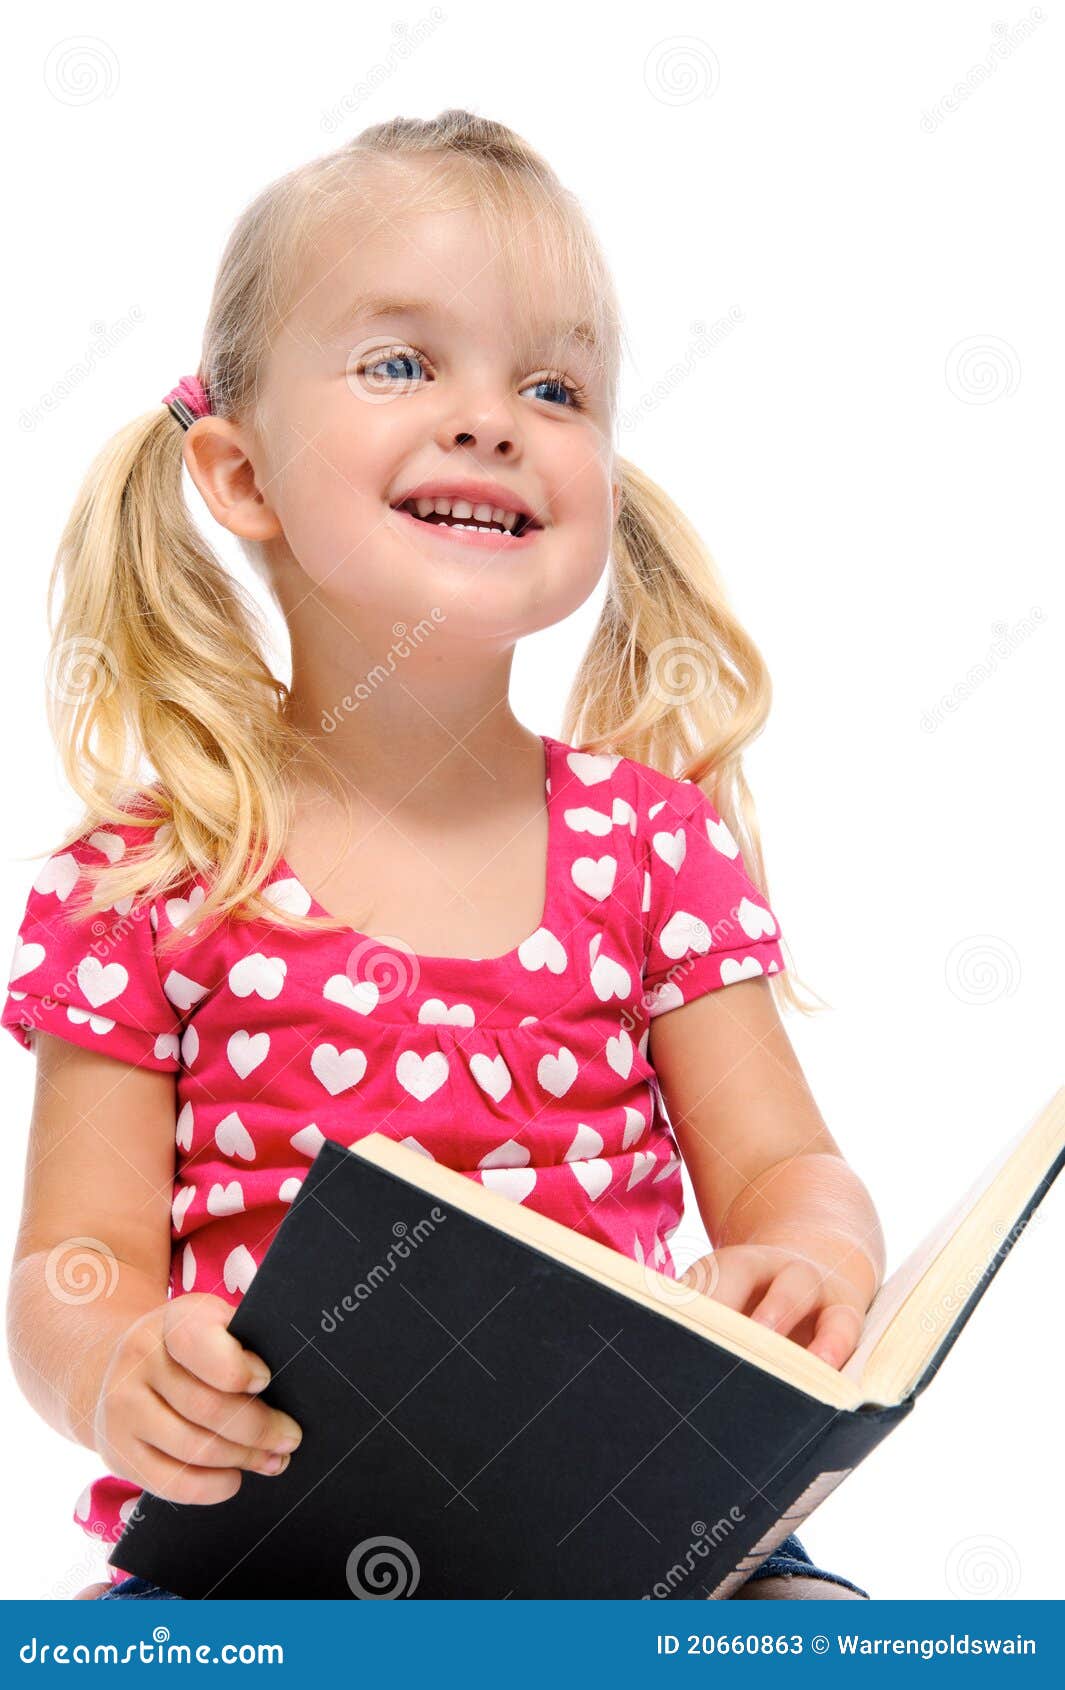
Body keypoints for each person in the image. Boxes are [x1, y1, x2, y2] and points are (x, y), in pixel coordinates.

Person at [4, 110, 881, 1602]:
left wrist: (810, 1257)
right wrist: (115, 1376)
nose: (491, 418)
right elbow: (68, 1265)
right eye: (403, 363)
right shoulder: (149, 878)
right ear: (239, 475)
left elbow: (787, 1169)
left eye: (553, 385)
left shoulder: (649, 849)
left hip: (648, 1534)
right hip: (257, 1547)